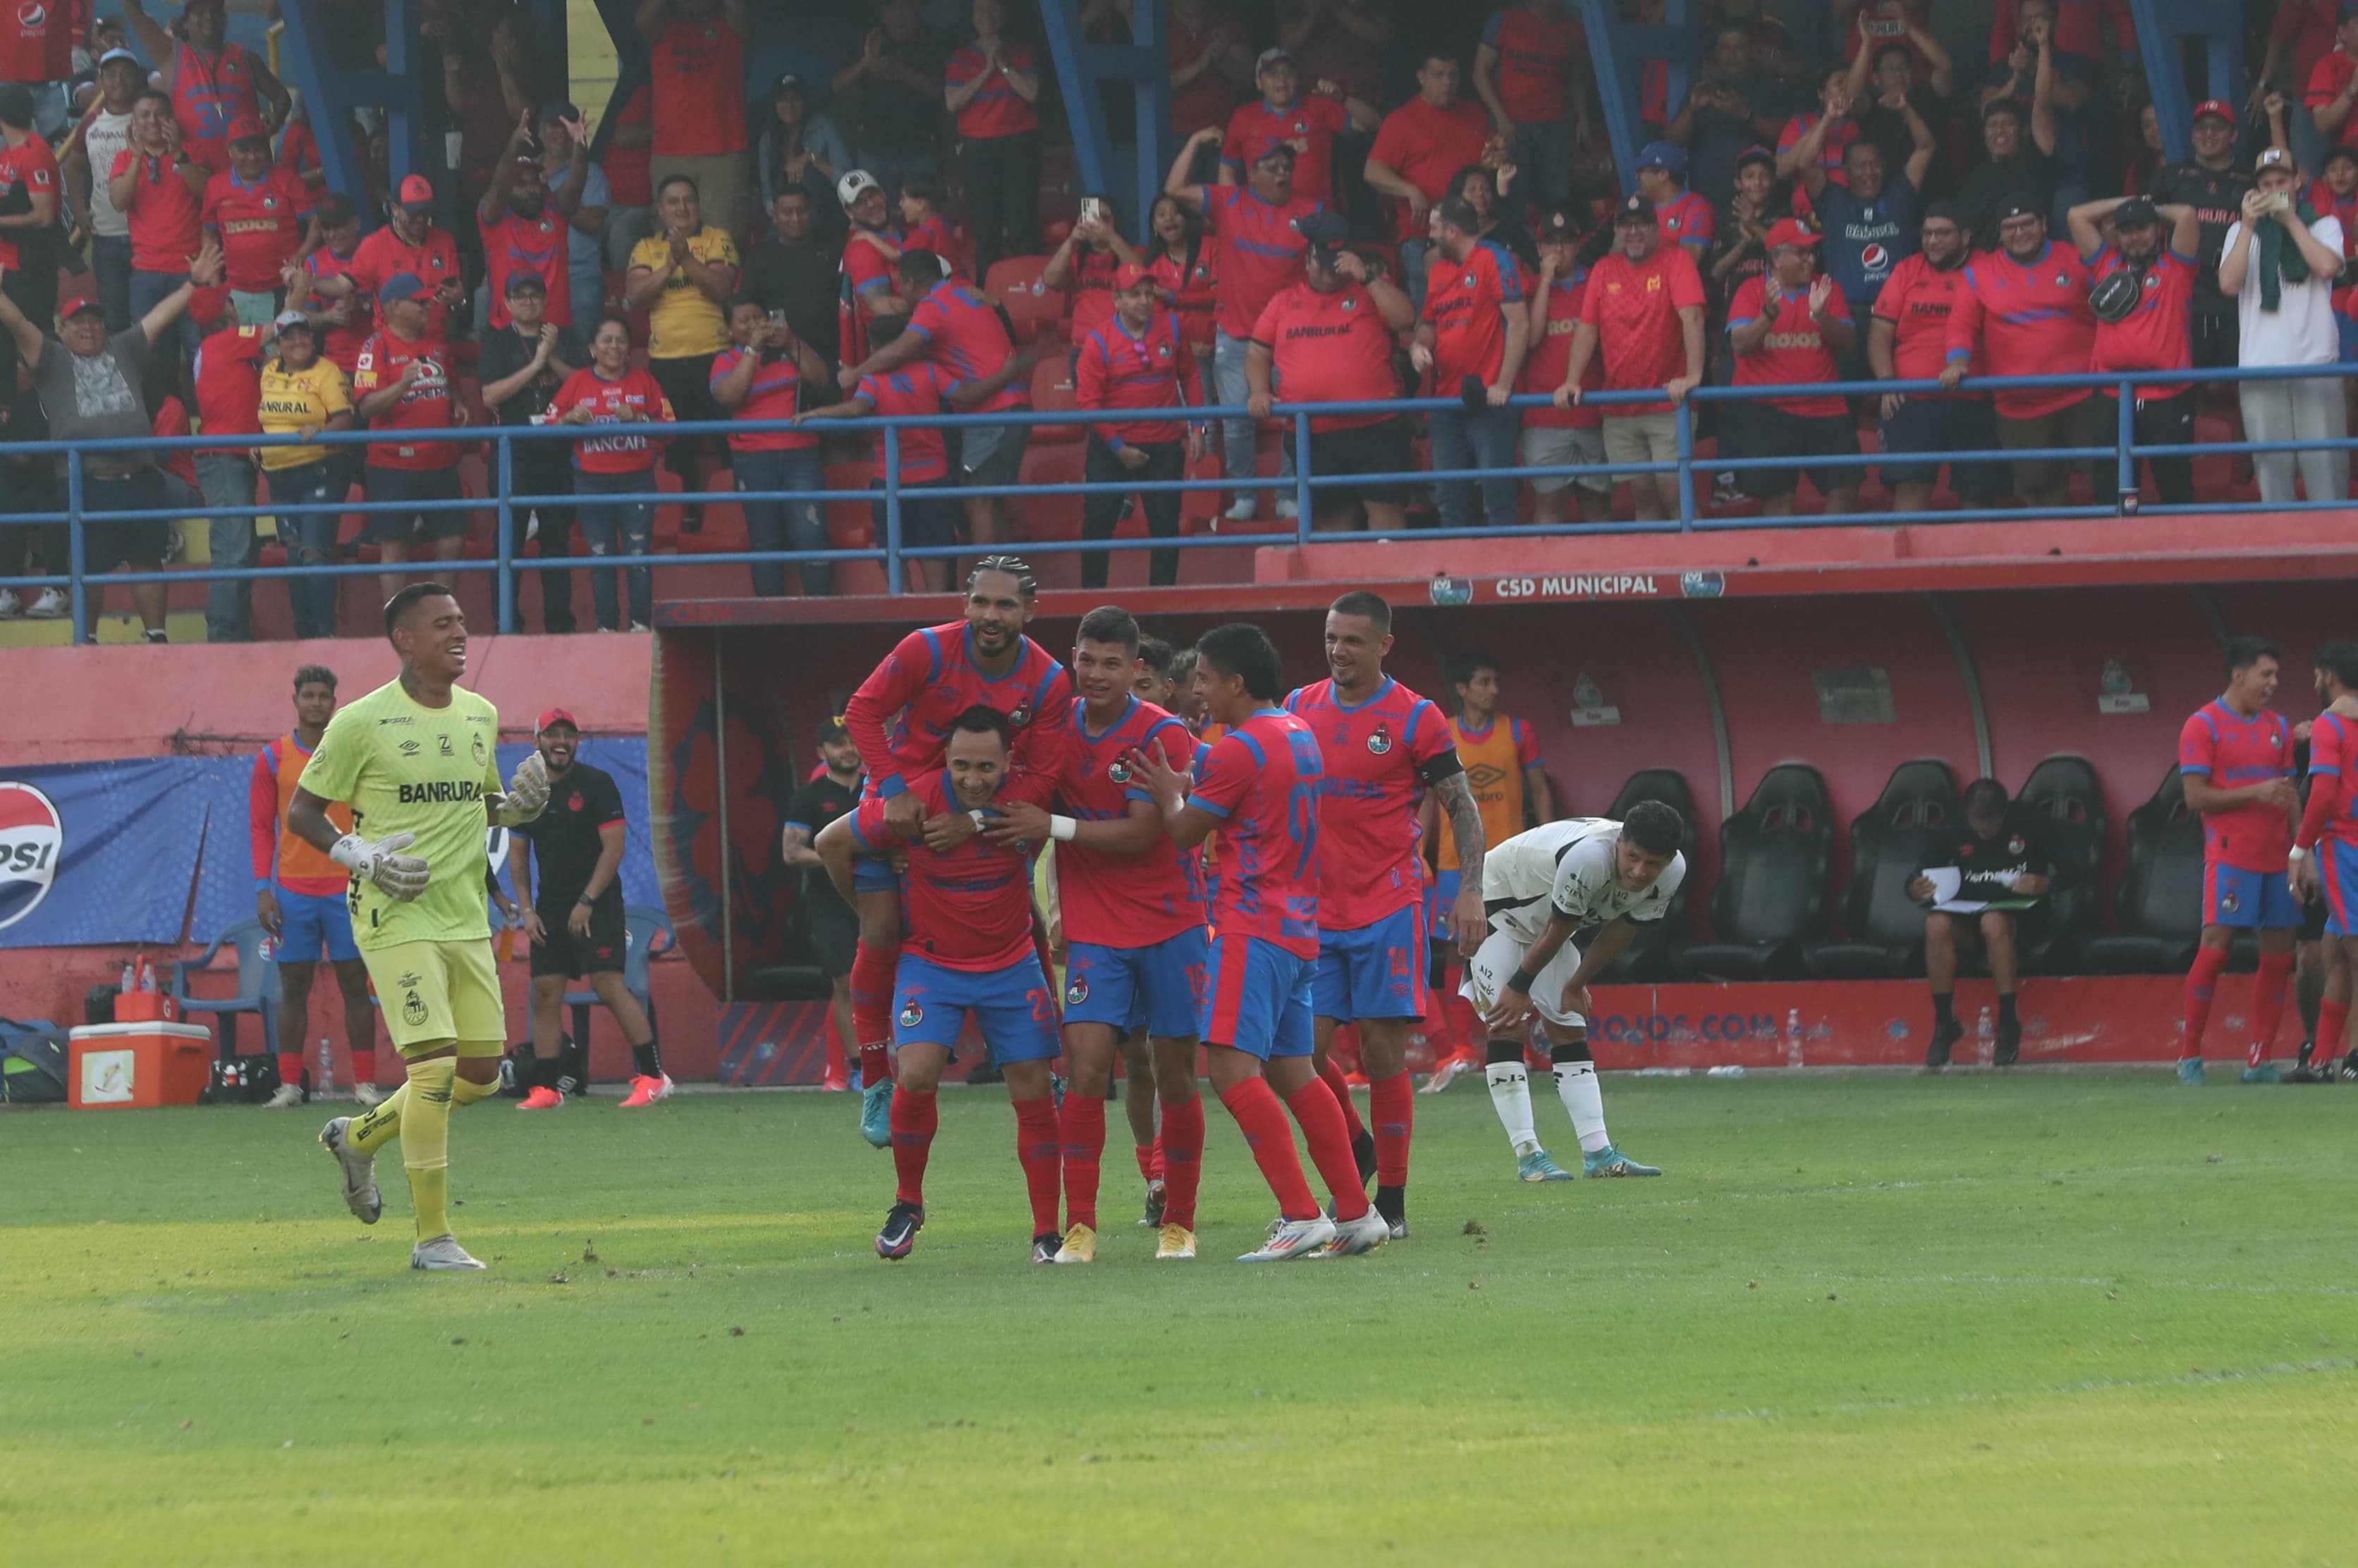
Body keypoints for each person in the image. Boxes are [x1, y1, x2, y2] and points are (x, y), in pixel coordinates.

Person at [305, 582, 553, 1273]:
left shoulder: (479, 714)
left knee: (480, 1074)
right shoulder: (361, 721)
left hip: (463, 915)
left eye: (462, 621)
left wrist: (519, 808)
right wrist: (362, 857)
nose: (459, 631)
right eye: (442, 623)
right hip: (394, 912)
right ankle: (433, 1239)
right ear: (404, 640)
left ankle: (357, 1137)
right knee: (435, 1066)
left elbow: (483, 806)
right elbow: (302, 812)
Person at [1125, 622, 1389, 1262]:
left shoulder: (1244, 747)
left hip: (1252, 925)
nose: (1200, 692)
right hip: (1300, 930)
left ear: (1236, 683)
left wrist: (1166, 795)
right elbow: (1241, 792)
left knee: (1231, 1071)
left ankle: (1300, 1215)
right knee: (1296, 1072)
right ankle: (1356, 1213)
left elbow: (1186, 832)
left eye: (1207, 681)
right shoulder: (1297, 733)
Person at [977, 606, 1208, 1263]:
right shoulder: (1052, 732)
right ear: (1072, 658)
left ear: (1137, 669)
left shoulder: (1159, 733)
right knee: (1084, 1071)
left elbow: (1142, 833)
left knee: (1175, 1075)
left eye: (1113, 663)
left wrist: (1050, 825)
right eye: (1087, 660)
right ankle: (1079, 1229)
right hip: (1097, 935)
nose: (1097, 674)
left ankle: (1180, 1224)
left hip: (1172, 926)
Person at [815, 706, 1067, 1263]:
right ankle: (908, 1204)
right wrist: (863, 907)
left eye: (985, 766)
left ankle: (1046, 1233)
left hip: (1010, 965)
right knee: (918, 1072)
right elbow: (831, 843)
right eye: (960, 766)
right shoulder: (913, 804)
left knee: (1032, 1089)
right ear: (944, 761)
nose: (972, 779)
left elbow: (1077, 825)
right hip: (932, 967)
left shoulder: (1027, 799)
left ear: (1008, 762)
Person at [838, 558, 1076, 1146]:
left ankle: (1049, 1072)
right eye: (980, 603)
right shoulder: (926, 649)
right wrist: (893, 792)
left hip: (985, 808)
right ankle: (875, 1081)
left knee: (1021, 915)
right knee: (879, 926)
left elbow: (1043, 776)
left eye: (1004, 605)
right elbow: (864, 711)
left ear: (1030, 610)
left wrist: (971, 820)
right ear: (964, 603)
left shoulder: (1047, 681)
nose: (990, 617)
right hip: (903, 806)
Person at [1285, 592, 1487, 1239]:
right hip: (1315, 911)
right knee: (1298, 1052)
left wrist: (1471, 891)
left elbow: (1460, 805)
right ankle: (1356, 1144)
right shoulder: (1298, 708)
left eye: (1351, 640)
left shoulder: (1415, 717)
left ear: (1383, 646)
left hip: (1388, 905)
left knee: (1382, 1054)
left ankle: (1393, 1203)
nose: (1338, 650)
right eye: (1330, 637)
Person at [0, 242, 214, 642]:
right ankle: (89, 639)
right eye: (78, 321)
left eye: (94, 320)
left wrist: (194, 284)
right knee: (89, 566)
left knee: (147, 558)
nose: (87, 327)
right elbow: (18, 324)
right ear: (63, 329)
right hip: (85, 481)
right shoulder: (51, 358)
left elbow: (159, 317)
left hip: (139, 475)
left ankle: (156, 637)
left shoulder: (125, 347)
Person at [1466, 811, 1680, 1182]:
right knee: (1506, 1027)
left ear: (1669, 860)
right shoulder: (1590, 858)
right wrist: (1518, 988)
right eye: (1633, 857)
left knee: (1569, 1029)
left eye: (1653, 864)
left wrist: (1576, 982)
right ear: (1620, 843)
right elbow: (1558, 927)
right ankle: (1528, 1155)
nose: (1640, 872)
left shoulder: (1674, 872)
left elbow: (1623, 929)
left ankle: (1598, 1154)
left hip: (1550, 928)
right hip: (1499, 907)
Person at [508, 707, 667, 1109]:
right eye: (552, 735)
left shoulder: (597, 784)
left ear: (577, 741)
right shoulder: (527, 792)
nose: (561, 742)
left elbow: (615, 848)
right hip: (550, 907)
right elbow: (518, 859)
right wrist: (527, 911)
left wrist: (587, 902)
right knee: (545, 993)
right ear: (536, 740)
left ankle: (653, 1076)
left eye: (568, 735)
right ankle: (545, 1089)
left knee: (608, 985)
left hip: (598, 905)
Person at [795, 316, 1022, 592]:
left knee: (893, 558)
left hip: (892, 483)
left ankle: (906, 626)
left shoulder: (874, 379)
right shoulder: (930, 370)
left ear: (875, 347)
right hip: (932, 481)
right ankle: (937, 627)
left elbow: (855, 409)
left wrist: (815, 413)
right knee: (934, 560)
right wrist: (1005, 374)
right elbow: (967, 394)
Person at [1164, 132, 1321, 524]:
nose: (1283, 173)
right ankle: (1245, 494)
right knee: (1236, 423)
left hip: (1292, 337)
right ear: (1252, 173)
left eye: (1288, 165)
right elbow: (1174, 189)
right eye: (1273, 167)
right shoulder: (1229, 201)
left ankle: (1288, 492)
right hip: (1235, 334)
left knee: (1294, 419)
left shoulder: (1311, 210)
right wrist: (1195, 142)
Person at [1419, 652, 1551, 1093]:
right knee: (1459, 953)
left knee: (1522, 949)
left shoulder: (1519, 732)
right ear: (1462, 689)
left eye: (1495, 681)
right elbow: (1426, 802)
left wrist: (1548, 843)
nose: (1493, 690)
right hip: (1458, 864)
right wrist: (1420, 851)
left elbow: (1539, 789)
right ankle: (1463, 1049)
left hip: (1513, 863)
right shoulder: (1444, 734)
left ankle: (1528, 1045)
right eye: (1483, 682)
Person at [250, 666, 381, 1107]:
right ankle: (289, 1085)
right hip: (293, 890)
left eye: (324, 696)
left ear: (334, 702)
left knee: (355, 984)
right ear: (296, 700)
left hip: (347, 887)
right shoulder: (273, 757)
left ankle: (363, 1082)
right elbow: (261, 828)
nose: (316, 704)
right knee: (294, 987)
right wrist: (262, 889)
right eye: (309, 695)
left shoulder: (352, 753)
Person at [2175, 638, 2301, 1086]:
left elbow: (2287, 795)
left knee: (2279, 955)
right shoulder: (2202, 725)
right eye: (2266, 674)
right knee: (2216, 946)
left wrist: (2300, 852)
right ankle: (2190, 1056)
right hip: (2230, 856)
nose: (2273, 684)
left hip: (2276, 857)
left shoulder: (2279, 727)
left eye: (2276, 676)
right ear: (2238, 674)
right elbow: (2193, 798)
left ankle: (2259, 1060)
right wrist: (2254, 792)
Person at [837, 250, 1027, 548]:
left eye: (900, 284)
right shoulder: (963, 294)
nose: (900, 292)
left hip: (993, 411)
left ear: (911, 283)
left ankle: (990, 588)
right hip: (1011, 406)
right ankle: (1006, 581)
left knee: (979, 503)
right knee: (991, 504)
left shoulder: (933, 307)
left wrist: (856, 373)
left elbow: (900, 349)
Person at [1245, 212, 1415, 533]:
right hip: (1313, 430)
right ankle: (1340, 585)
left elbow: (1406, 319)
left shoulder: (1373, 288)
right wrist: (1259, 389)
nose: (1330, 273)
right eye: (1323, 263)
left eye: (1337, 263)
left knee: (1386, 511)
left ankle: (1390, 582)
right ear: (1309, 259)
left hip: (1376, 424)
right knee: (1330, 521)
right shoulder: (1284, 302)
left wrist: (1366, 277)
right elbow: (1256, 351)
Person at [1553, 196, 1706, 525]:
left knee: (1675, 494)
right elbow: (1587, 331)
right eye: (1626, 224)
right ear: (1617, 230)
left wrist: (1694, 376)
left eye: (1641, 223)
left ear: (1656, 227)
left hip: (1668, 402)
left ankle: (1702, 569)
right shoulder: (1603, 269)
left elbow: (1692, 318)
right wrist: (1571, 380)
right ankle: (1652, 575)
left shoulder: (1676, 260)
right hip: (1621, 405)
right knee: (1643, 498)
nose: (1634, 231)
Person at [1941, 201, 2097, 510]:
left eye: (2027, 224)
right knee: (2040, 492)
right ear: (1999, 234)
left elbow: (2110, 308)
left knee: (2105, 480)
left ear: (2044, 224)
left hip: (2086, 397)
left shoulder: (2078, 258)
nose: (2019, 232)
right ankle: (2051, 555)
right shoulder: (1979, 274)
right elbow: (1960, 326)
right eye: (2010, 227)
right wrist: (1958, 361)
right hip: (2021, 408)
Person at [2218, 146, 2350, 505]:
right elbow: (2228, 285)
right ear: (2255, 191)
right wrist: (2247, 226)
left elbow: (2327, 268)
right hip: (2261, 369)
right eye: (2266, 184)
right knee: (2273, 482)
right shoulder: (2239, 232)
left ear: (2298, 182)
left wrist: (2291, 220)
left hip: (2316, 366)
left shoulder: (2324, 224)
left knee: (2327, 475)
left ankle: (2333, 557)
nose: (2275, 189)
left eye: (2281, 181)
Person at [2064, 192, 2200, 506]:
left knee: (2175, 484)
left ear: (2158, 230)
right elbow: (2076, 215)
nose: (2135, 237)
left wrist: (2154, 207)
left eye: (2143, 228)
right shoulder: (2105, 265)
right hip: (2113, 396)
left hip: (2168, 396)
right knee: (2112, 489)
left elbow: (2188, 214)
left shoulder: (2177, 268)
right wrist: (2128, 201)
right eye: (2126, 230)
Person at [1074, 263, 1203, 589]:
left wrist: (1198, 425)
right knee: (1097, 526)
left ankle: (1162, 607)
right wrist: (1120, 449)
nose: (1144, 301)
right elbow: (1088, 404)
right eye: (1135, 295)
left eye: (1149, 293)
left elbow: (1189, 373)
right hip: (1112, 447)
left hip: (1164, 445)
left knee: (1165, 528)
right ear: (1116, 299)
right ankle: (1092, 604)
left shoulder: (1172, 327)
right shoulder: (1097, 342)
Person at [1910, 778, 2055, 1069]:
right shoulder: (1953, 825)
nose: (1981, 832)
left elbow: (2074, 871)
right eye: (1976, 824)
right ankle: (1944, 1023)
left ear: (2003, 815)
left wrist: (2045, 883)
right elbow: (1920, 874)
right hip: (1966, 917)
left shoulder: (2031, 822)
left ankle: (2008, 1021)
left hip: (2020, 920)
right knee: (1936, 924)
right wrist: (1915, 888)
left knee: (1994, 921)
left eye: (1988, 825)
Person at [1871, 203, 2008, 510]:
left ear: (1966, 236)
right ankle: (1907, 560)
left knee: (1978, 494)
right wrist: (1887, 383)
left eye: (1943, 234)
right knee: (1910, 488)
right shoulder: (1907, 269)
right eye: (1928, 233)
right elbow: (1879, 334)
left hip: (1975, 397)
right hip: (1911, 399)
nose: (1933, 241)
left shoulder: (1989, 267)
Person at [623, 173, 736, 536]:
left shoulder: (717, 238)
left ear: (698, 205)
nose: (682, 207)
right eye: (674, 202)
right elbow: (636, 296)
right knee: (677, 445)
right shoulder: (645, 247)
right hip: (667, 362)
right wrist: (672, 263)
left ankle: (739, 514)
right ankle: (686, 519)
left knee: (730, 441)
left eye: (689, 200)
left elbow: (721, 287)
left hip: (716, 356)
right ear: (661, 209)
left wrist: (685, 257)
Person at [549, 314, 676, 632]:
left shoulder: (645, 381)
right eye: (606, 340)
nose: (614, 346)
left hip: (637, 481)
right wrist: (568, 420)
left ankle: (641, 624)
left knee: (638, 556)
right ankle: (606, 627)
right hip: (591, 483)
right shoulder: (576, 381)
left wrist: (639, 419)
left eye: (621, 340)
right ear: (592, 347)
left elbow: (671, 427)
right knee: (601, 558)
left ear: (629, 348)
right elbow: (545, 424)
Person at [1725, 219, 1859, 515]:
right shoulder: (1750, 290)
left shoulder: (1827, 288)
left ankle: (1826, 558)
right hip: (1766, 409)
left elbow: (1849, 343)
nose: (1811, 259)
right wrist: (1769, 315)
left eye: (1812, 252)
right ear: (1776, 258)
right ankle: (1786, 561)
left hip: (1825, 407)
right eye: (1802, 253)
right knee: (1777, 499)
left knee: (1846, 489)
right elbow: (1741, 344)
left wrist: (1822, 315)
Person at [352, 271, 470, 604]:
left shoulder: (436, 343)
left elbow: (452, 385)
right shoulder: (375, 346)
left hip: (441, 460)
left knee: (452, 542)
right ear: (393, 306)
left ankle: (439, 616)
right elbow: (365, 407)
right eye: (418, 302)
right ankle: (398, 622)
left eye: (427, 301)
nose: (426, 307)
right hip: (392, 463)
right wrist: (402, 386)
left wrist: (459, 404)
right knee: (395, 546)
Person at [477, 270, 583, 633]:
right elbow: (490, 396)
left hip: (556, 452)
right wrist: (535, 364)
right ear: (506, 303)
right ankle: (508, 625)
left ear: (544, 300)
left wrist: (550, 357)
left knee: (557, 543)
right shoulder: (497, 342)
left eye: (534, 295)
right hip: (513, 454)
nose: (527, 302)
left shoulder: (564, 338)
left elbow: (586, 387)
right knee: (508, 544)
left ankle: (560, 624)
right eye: (519, 296)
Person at [1414, 195, 1527, 532]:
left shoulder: (1494, 258)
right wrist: (1417, 347)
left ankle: (1503, 574)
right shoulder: (1439, 271)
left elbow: (1519, 323)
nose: (1429, 235)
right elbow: (1428, 326)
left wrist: (1504, 384)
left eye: (1434, 228)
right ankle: (1455, 578)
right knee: (1449, 497)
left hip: (1490, 400)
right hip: (1447, 401)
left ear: (1451, 231)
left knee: (1497, 496)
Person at [711, 295, 832, 597]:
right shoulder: (725, 360)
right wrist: (752, 350)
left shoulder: (790, 349)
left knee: (811, 534)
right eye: (745, 321)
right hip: (752, 459)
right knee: (765, 541)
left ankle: (823, 614)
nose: (754, 325)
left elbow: (822, 379)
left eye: (758, 318)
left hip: (800, 453)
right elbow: (730, 396)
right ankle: (771, 618)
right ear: (729, 330)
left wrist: (791, 344)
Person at [255, 305, 354, 640]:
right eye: (289, 336)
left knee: (313, 552)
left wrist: (322, 429)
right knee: (295, 558)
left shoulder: (328, 372)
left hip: (321, 471)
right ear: (278, 344)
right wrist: (257, 443)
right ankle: (303, 633)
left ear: (313, 338)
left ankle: (324, 635)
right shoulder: (268, 371)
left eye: (303, 334)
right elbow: (264, 418)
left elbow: (345, 419)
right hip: (278, 476)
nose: (297, 341)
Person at [1794, 106, 1934, 335]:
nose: (1869, 172)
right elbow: (1805, 164)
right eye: (1860, 166)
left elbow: (1926, 148)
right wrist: (1829, 117)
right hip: (1846, 316)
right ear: (1846, 172)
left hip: (1897, 316)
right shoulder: (1833, 201)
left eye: (1875, 164)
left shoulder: (1899, 197)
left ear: (1884, 168)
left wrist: (1906, 109)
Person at [1364, 51, 1493, 296]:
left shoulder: (1474, 111)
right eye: (1438, 75)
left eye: (1452, 75)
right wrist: (1410, 190)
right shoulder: (1401, 120)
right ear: (1421, 77)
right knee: (1432, 313)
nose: (1447, 82)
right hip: (1424, 237)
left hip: (1474, 235)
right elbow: (1372, 171)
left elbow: (1489, 162)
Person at [781, 718, 864, 1092]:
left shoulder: (877, 789)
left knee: (893, 980)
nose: (847, 749)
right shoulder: (809, 797)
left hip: (877, 896)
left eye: (852, 741)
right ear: (821, 753)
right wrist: (836, 858)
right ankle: (860, 1068)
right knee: (845, 982)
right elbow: (792, 851)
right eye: (838, 743)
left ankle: (900, 1063)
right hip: (828, 901)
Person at [2289, 639, 2358, 1080]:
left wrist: (2300, 849)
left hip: (2344, 845)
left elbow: (2323, 796)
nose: (2314, 681)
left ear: (2328, 674)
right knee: (2336, 955)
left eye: (2316, 674)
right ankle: (2321, 1061)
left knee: (2355, 951)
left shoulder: (2331, 726)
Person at [186, 278, 270, 642]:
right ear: (229, 311)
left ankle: (232, 632)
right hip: (225, 459)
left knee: (239, 550)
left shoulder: (212, 347)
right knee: (233, 552)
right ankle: (224, 637)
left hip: (228, 459)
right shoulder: (228, 342)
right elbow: (283, 324)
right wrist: (303, 288)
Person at [2150, 100, 2259, 371]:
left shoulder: (2250, 180)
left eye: (2217, 128)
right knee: (2187, 381)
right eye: (2202, 128)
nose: (2208, 134)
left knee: (2243, 379)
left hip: (2236, 294)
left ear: (2233, 135)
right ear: (2192, 135)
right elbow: (2141, 221)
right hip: (2186, 295)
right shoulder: (2172, 176)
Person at [1517, 204, 1608, 525]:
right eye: (1551, 242)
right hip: (1544, 417)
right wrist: (1544, 281)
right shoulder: (1528, 288)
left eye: (1567, 241)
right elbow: (1531, 339)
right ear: (1539, 248)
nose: (1559, 249)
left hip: (1594, 412)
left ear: (1578, 244)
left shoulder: (1597, 281)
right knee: (1549, 513)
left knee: (1598, 511)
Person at [633, 0, 751, 243]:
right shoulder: (661, 28)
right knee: (668, 239)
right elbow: (643, 19)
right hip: (671, 153)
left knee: (723, 238)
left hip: (724, 153)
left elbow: (739, 8)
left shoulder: (730, 25)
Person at [124, 0, 286, 176]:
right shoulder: (172, 55)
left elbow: (282, 97)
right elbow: (136, 14)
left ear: (225, 19)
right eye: (200, 11)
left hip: (251, 175)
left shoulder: (246, 57)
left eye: (216, 11)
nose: (209, 16)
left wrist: (275, 120)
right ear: (185, 22)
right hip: (196, 177)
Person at [944, 0, 1041, 282]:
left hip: (1019, 143)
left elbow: (1032, 93)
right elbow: (952, 102)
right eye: (981, 10)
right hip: (978, 147)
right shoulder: (961, 57)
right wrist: (987, 70)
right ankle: (988, 296)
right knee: (987, 229)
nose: (988, 15)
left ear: (1005, 14)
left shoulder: (1022, 51)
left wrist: (1003, 64)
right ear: (972, 17)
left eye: (995, 9)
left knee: (1023, 224)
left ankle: (1031, 291)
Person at [1219, 47, 1375, 210]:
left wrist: (1343, 99)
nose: (1282, 79)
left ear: (1297, 78)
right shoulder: (1244, 116)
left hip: (1316, 217)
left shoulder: (1318, 106)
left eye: (1288, 72)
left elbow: (1371, 125)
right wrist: (1234, 212)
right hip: (1263, 222)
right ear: (1259, 82)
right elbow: (1227, 169)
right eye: (1272, 73)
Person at [313, 174, 464, 341]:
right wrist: (307, 281)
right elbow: (341, 285)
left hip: (435, 343)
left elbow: (456, 295)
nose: (421, 219)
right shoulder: (375, 244)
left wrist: (459, 299)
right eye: (414, 213)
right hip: (392, 347)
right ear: (395, 209)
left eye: (425, 211)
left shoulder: (444, 240)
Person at [1472, 0, 1587, 209]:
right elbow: (1480, 73)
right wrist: (1501, 118)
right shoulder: (1505, 19)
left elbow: (1576, 78)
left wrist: (1583, 119)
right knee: (1509, 193)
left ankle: (1554, 240)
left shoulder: (1573, 27)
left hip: (1555, 126)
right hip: (1512, 126)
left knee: (1557, 197)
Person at [1665, 24, 1794, 207]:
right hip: (1707, 199)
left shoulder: (1772, 89)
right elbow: (1672, 140)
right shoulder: (1704, 88)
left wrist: (1746, 114)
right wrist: (1692, 109)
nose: (1731, 55)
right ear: (1717, 53)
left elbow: (1786, 138)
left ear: (1752, 50)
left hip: (1760, 202)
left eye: (1739, 48)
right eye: (1725, 48)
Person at [199, 114, 309, 326]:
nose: (252, 156)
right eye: (244, 149)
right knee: (239, 350)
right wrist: (213, 281)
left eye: (258, 148)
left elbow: (316, 223)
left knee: (275, 352)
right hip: (235, 290)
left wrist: (303, 252)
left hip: (280, 287)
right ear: (230, 151)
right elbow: (209, 236)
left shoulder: (287, 179)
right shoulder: (216, 186)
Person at [832, 0, 949, 200]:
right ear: (883, 12)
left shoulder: (933, 40)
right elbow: (836, 85)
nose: (899, 15)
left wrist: (898, 69)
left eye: (905, 7)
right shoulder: (871, 39)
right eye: (891, 8)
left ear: (917, 9)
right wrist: (866, 63)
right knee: (876, 217)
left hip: (920, 149)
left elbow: (938, 90)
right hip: (874, 150)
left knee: (923, 217)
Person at [63, 47, 143, 333]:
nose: (118, 80)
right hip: (106, 236)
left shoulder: (147, 119)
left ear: (137, 79)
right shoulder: (90, 123)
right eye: (111, 74)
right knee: (115, 320)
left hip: (147, 237)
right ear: (101, 79)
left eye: (126, 74)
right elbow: (73, 166)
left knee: (149, 320)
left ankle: (158, 379)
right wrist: (79, 210)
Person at [479, 111, 577, 332]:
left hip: (557, 329)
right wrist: (513, 145)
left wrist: (579, 144)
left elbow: (576, 185)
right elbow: (500, 186)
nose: (531, 189)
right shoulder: (495, 217)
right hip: (507, 332)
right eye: (521, 183)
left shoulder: (553, 210)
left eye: (534, 182)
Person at [0, 80, 60, 388]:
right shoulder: (9, 154)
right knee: (6, 349)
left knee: (38, 344)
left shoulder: (34, 152)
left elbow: (44, 215)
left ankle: (54, 411)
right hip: (9, 268)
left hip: (31, 269)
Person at [746, 186, 842, 368]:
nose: (796, 219)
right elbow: (748, 306)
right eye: (788, 212)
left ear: (812, 211)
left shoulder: (835, 247)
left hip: (831, 352)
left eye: (802, 211)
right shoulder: (758, 257)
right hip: (779, 356)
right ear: (775, 216)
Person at [536, 103, 611, 327]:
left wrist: (551, 203)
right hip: (530, 269)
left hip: (577, 272)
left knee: (585, 298)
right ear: (541, 132)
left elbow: (595, 221)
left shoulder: (593, 173)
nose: (559, 131)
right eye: (553, 126)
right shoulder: (525, 171)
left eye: (566, 126)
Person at [1955, 96, 2058, 250]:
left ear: (2022, 131)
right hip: (1980, 261)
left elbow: (2042, 104)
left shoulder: (2035, 165)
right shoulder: (1975, 177)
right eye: (1992, 125)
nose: (1999, 131)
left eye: (2008, 124)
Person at [755, 73, 850, 233]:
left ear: (805, 102)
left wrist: (811, 158)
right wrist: (781, 219)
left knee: (807, 178)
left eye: (795, 99)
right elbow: (767, 194)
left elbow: (847, 180)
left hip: (825, 212)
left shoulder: (823, 126)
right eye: (783, 100)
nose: (790, 105)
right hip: (784, 219)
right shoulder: (767, 139)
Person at [1042, 196, 1142, 349]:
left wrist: (1110, 236)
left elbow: (1139, 273)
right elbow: (1050, 280)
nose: (1099, 223)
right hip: (1085, 345)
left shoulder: (1133, 252)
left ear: (1116, 221)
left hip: (1124, 343)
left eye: (1105, 218)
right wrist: (1072, 241)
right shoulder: (1076, 259)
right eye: (1093, 218)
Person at [836, 168, 904, 370]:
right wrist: (936, 301)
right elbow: (883, 308)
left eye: (873, 195)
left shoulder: (906, 226)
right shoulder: (861, 249)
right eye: (860, 202)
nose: (871, 204)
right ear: (849, 212)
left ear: (883, 193)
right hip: (898, 355)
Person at [300, 193, 372, 382]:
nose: (332, 235)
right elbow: (303, 319)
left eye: (339, 226)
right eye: (326, 228)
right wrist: (329, 317)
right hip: (336, 364)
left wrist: (361, 305)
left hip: (377, 360)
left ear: (355, 224)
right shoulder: (314, 263)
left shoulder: (374, 252)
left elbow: (397, 308)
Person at [1142, 192, 1218, 364]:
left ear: (1186, 218)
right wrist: (1189, 346)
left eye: (1176, 212)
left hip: (1221, 345)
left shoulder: (1210, 246)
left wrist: (1175, 298)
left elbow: (1218, 295)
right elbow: (1157, 319)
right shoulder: (1154, 266)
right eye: (1161, 214)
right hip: (1180, 350)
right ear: (1155, 225)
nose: (1169, 218)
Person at [1635, 141, 1715, 259]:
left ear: (1662, 174)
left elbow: (1689, 262)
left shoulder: (1697, 207)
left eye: (1641, 171)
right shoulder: (1641, 208)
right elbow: (1615, 262)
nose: (1637, 177)